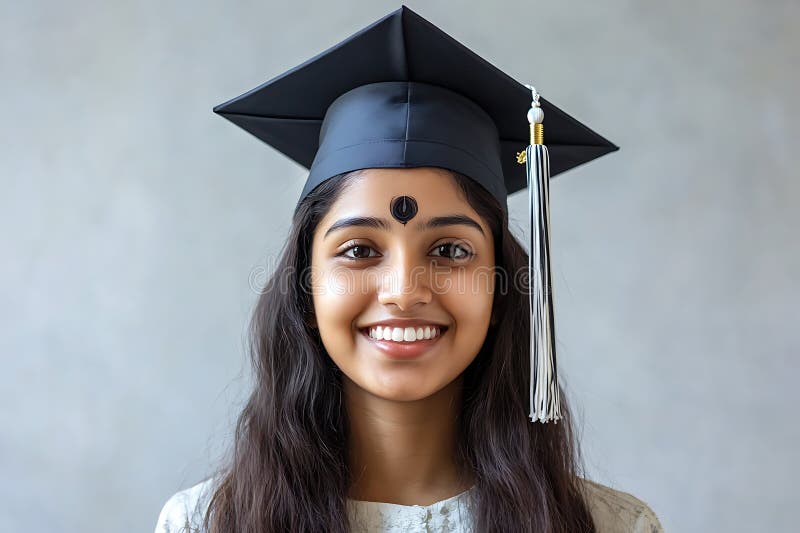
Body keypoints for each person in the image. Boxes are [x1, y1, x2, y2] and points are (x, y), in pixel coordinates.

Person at [155, 6, 663, 533]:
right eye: (359, 250)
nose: (403, 291)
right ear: (306, 292)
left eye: (451, 251)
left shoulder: (608, 526)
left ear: (499, 291)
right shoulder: (209, 524)